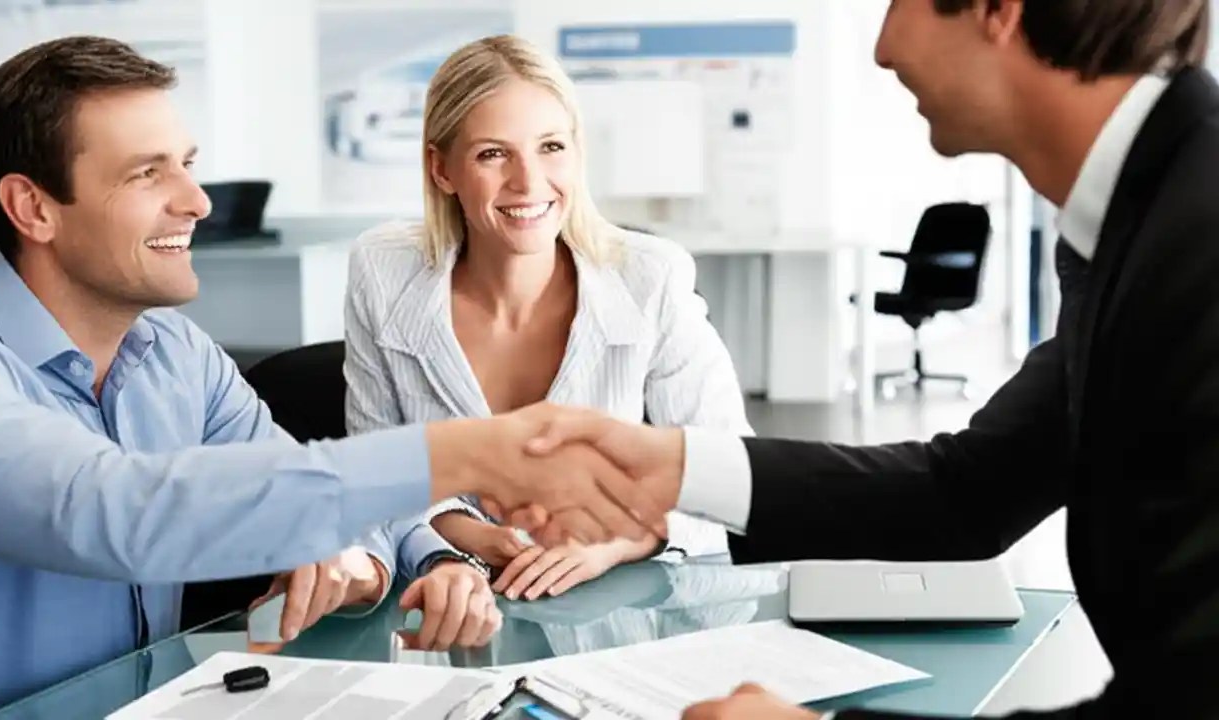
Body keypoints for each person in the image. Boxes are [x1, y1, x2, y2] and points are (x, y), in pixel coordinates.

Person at [515, 0, 1219, 717]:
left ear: (995, 10)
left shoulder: (1197, 231)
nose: (882, 49)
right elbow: (967, 494)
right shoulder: (1139, 224)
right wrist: (672, 467)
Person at [0, 36, 667, 719]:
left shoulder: (176, 355)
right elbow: (116, 512)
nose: (197, 201)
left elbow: (320, 501)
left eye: (187, 164)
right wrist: (471, 452)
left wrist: (355, 562)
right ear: (33, 208)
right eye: (147, 173)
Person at [343, 34, 751, 601]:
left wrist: (616, 540)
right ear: (442, 169)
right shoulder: (383, 273)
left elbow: (732, 481)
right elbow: (376, 477)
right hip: (447, 609)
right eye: (493, 153)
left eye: (551, 147)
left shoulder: (651, 279)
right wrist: (470, 539)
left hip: (618, 621)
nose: (529, 182)